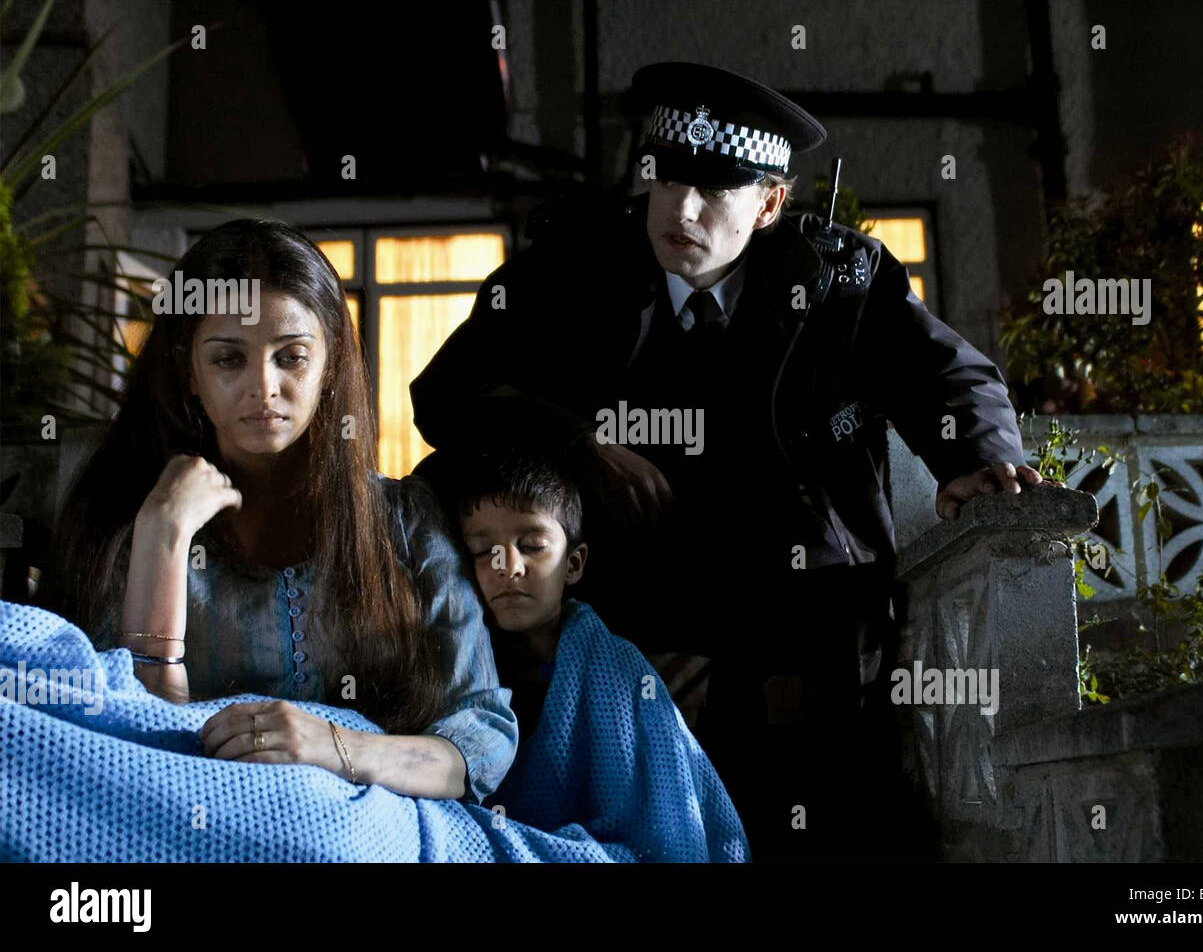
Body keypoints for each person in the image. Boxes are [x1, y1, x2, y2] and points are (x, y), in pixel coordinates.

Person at [409, 62, 1047, 857]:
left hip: (798, 612)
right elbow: (443, 395)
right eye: (669, 179)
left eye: (716, 191)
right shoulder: (573, 266)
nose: (680, 209)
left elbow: (948, 375)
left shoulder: (838, 280)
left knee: (824, 823)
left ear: (772, 203)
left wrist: (978, 461)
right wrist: (578, 441)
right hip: (626, 611)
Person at [42, 219, 517, 803]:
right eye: (228, 360)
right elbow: (123, 747)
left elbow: (480, 742)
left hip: (370, 832)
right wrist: (162, 538)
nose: (262, 387)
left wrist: (337, 747)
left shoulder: (406, 521)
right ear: (188, 371)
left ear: (331, 362)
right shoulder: (126, 519)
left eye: (291, 357)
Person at [452, 451, 748, 862]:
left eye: (533, 545)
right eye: (485, 551)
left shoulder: (616, 669)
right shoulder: (465, 662)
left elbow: (662, 826)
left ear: (573, 564)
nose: (509, 567)